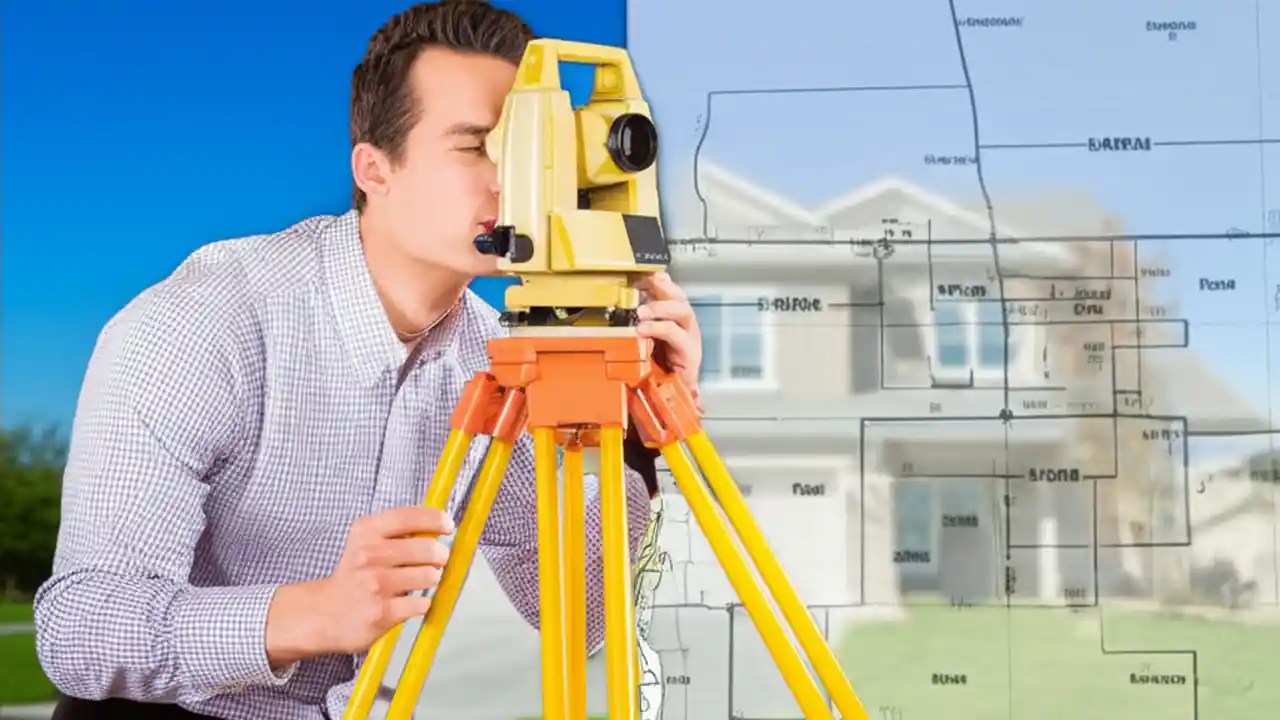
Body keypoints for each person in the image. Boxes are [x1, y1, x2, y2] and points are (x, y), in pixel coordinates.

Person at [32, 1, 702, 718]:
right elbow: (80, 630)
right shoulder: (206, 321)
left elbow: (573, 612)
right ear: (374, 169)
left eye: (528, 147)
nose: (512, 181)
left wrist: (639, 437)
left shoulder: (497, 353)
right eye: (475, 146)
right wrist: (312, 614)